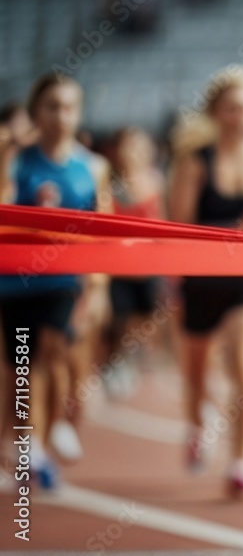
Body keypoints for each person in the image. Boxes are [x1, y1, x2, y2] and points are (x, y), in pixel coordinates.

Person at [166, 65, 243, 498]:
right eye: (232, 109)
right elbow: (180, 225)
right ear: (216, 112)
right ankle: (199, 422)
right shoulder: (196, 162)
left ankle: (241, 461)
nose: (240, 117)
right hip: (201, 281)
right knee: (195, 377)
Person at [0, 74, 111, 488]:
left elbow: (102, 229)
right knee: (21, 369)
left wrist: (98, 287)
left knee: (53, 348)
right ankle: (23, 446)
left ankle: (40, 446)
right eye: (51, 106)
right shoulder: (15, 158)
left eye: (68, 107)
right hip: (15, 278)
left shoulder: (94, 166)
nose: (60, 116)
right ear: (35, 112)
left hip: (64, 277)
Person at [103, 127, 167, 399]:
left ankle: (126, 358)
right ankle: (114, 363)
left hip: (148, 267)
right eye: (130, 146)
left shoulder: (156, 181)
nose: (136, 152)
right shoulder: (109, 186)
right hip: (118, 269)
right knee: (119, 321)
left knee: (144, 319)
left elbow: (164, 222)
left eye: (141, 146)